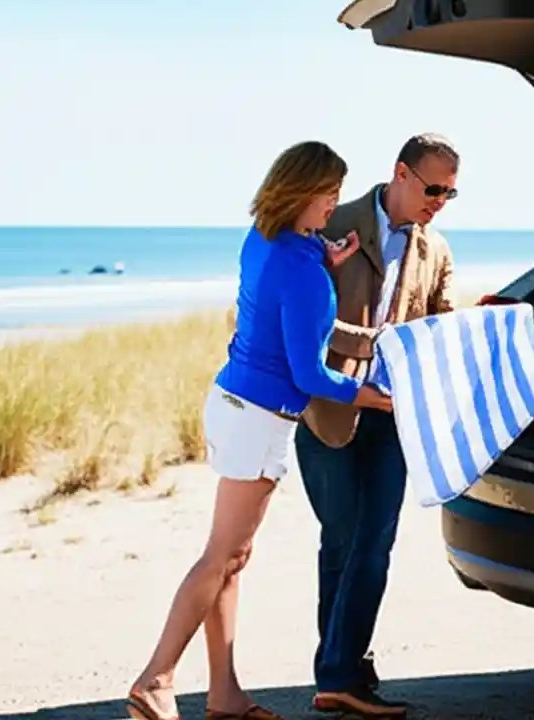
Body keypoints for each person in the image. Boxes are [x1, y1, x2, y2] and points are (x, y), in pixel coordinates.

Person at [125, 140, 393, 720]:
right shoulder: (305, 274)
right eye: (329, 194)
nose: (335, 205)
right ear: (303, 191)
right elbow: (308, 373)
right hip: (260, 419)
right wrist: (369, 397)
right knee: (220, 556)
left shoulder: (263, 239)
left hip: (233, 404)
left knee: (232, 558)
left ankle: (224, 695)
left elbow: (288, 272)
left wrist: (325, 257)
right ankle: (156, 679)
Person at [295, 133, 459, 717]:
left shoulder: (437, 250)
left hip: (393, 416)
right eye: (433, 189)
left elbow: (437, 328)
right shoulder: (331, 223)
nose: (439, 202)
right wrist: (374, 345)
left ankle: (341, 671)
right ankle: (344, 669)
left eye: (450, 193)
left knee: (375, 543)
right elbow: (305, 323)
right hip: (329, 410)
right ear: (401, 174)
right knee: (341, 537)